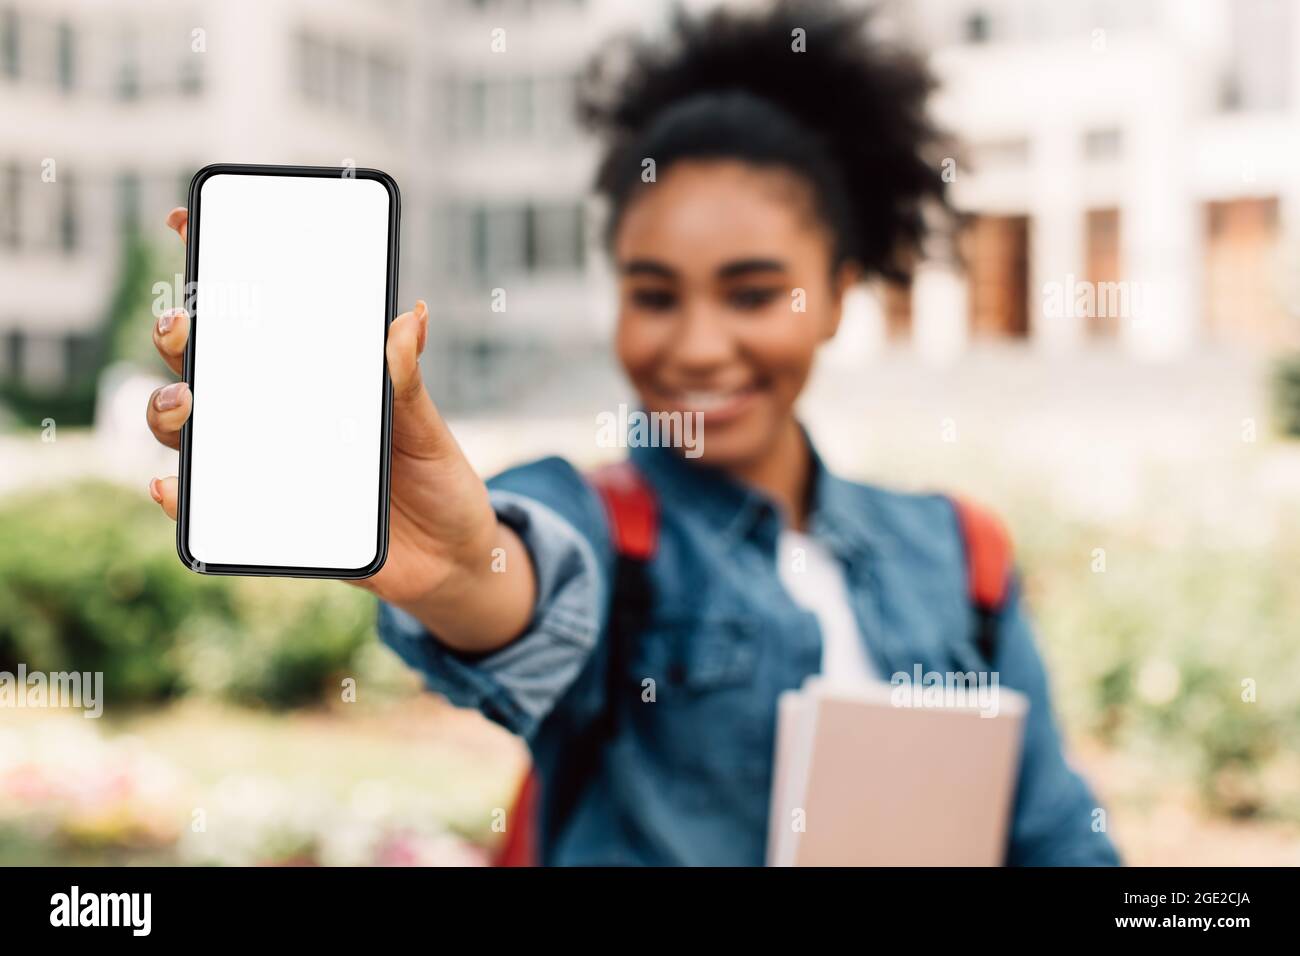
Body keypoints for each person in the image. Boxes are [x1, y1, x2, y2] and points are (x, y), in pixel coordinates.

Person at [145, 0, 1119, 866]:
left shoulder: (961, 554)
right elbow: (522, 583)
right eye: (653, 294)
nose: (698, 346)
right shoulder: (605, 525)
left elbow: (1054, 836)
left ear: (836, 295)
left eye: (750, 291)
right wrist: (460, 568)